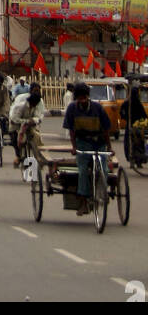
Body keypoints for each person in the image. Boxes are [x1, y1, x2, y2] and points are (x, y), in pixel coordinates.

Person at [63, 80, 111, 216]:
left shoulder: (98, 108)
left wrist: (109, 147)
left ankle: (101, 193)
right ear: (76, 98)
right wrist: (74, 147)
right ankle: (83, 203)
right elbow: (72, 131)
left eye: (84, 97)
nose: (82, 100)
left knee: (104, 168)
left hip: (99, 142)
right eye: (80, 97)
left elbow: (106, 129)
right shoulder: (72, 109)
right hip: (83, 143)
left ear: (88, 96)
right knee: (83, 171)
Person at [9, 82, 46, 168]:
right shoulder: (21, 102)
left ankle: (39, 156)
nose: (37, 92)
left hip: (30, 124)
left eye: (38, 90)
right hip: (16, 123)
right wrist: (25, 121)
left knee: (37, 136)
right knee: (15, 137)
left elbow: (39, 115)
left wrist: (34, 120)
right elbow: (14, 117)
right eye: (35, 90)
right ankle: (19, 156)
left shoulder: (38, 101)